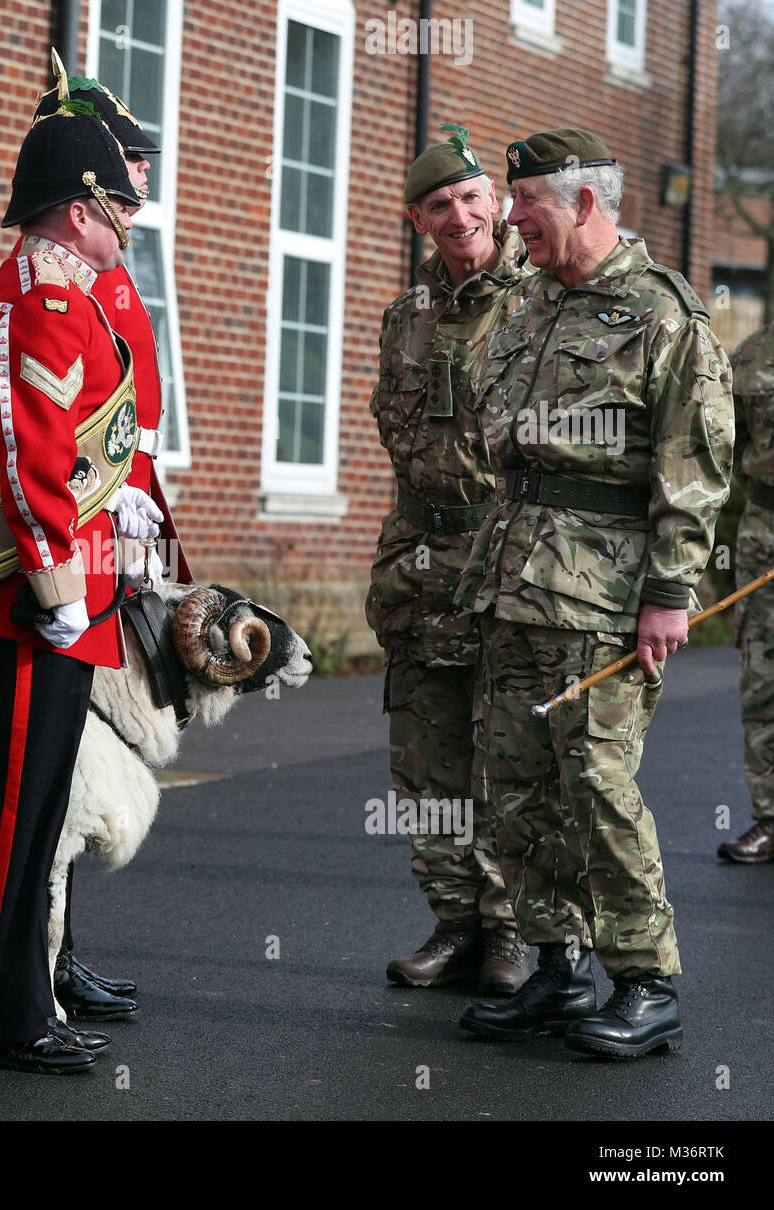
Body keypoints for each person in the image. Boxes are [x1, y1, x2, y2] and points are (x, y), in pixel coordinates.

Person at [455, 129, 733, 1058]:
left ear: (584, 202)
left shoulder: (664, 313)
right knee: (520, 787)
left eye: (525, 198)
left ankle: (647, 983)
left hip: (605, 597)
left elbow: (693, 468)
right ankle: (559, 967)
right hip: (514, 577)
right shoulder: (532, 303)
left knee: (599, 788)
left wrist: (670, 592)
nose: (510, 215)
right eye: (510, 197)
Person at [0, 105, 161, 1073]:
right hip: (37, 602)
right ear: (78, 210)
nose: (125, 225)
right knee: (15, 821)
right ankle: (2, 1013)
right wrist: (61, 586)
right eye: (117, 209)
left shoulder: (59, 293)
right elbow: (38, 466)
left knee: (38, 818)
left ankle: (21, 999)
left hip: (56, 591)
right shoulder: (43, 301)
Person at [25, 60, 193, 1023]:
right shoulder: (65, 281)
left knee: (90, 750)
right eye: (123, 162)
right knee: (72, 747)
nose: (135, 181)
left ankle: (63, 949)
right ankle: (46, 954)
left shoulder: (107, 269)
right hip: (90, 520)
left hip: (121, 512)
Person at [368, 125, 531, 996]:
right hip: (417, 558)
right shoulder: (405, 316)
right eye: (441, 205)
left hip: (506, 554)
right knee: (424, 754)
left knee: (501, 748)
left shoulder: (541, 303)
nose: (460, 215)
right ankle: (453, 923)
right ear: (418, 219)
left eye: (472, 198)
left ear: (497, 205)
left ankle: (508, 932)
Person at [718, 322, 774, 863]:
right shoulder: (751, 355)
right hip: (764, 533)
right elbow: (717, 454)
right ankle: (769, 819)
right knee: (763, 681)